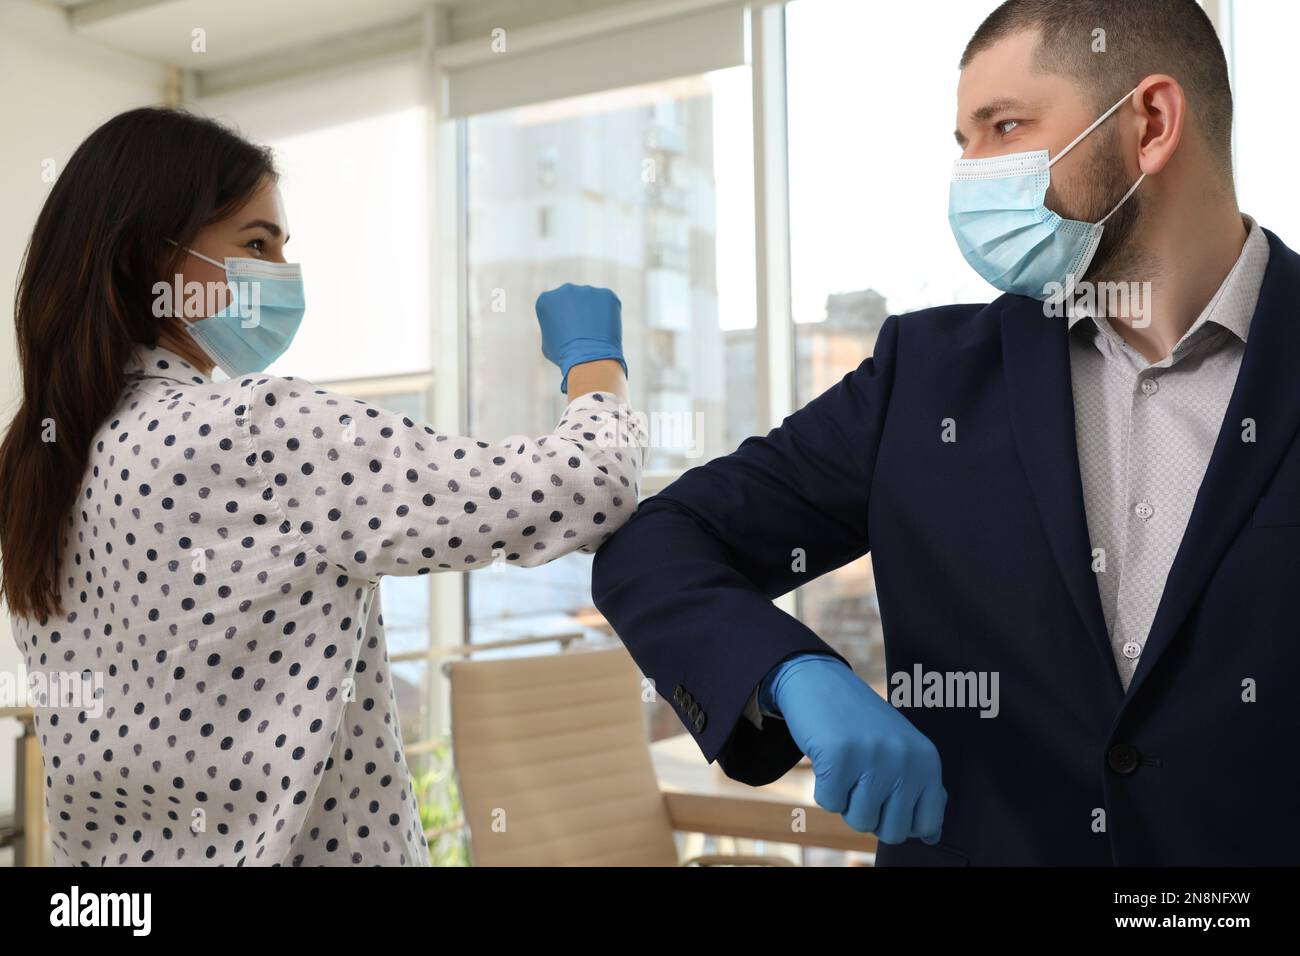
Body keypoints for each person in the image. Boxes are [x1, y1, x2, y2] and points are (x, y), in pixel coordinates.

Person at [593, 0, 1300, 865]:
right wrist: (789, 671)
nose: (972, 175)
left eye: (1004, 127)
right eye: (963, 143)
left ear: (1150, 124)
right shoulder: (920, 377)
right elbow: (659, 543)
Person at [0, 106, 642, 866]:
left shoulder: (39, 468)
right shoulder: (260, 429)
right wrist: (592, 363)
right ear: (148, 258)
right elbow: (587, 487)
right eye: (255, 244)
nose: (278, 276)